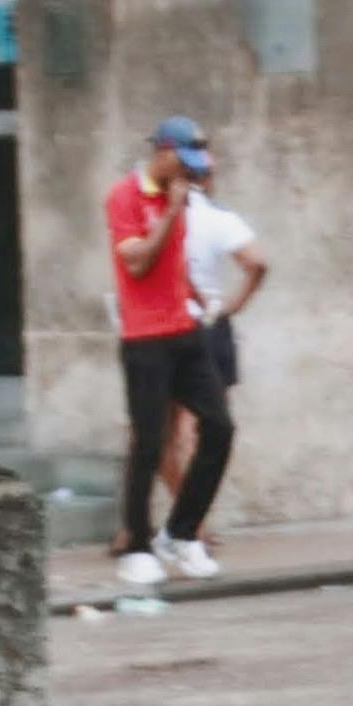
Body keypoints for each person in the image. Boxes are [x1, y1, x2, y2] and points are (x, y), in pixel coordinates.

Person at [107, 114, 234, 584]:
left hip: (185, 331)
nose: (190, 174)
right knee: (148, 443)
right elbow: (138, 264)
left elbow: (175, 266)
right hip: (144, 339)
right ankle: (137, 547)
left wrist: (201, 303)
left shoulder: (179, 194)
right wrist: (171, 214)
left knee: (219, 427)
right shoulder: (124, 196)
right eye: (184, 163)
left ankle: (181, 532)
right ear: (163, 153)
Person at [154, 143, 270, 540]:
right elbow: (257, 263)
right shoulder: (220, 217)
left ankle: (188, 523)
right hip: (211, 325)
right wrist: (233, 305)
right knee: (206, 429)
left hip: (168, 325)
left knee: (165, 432)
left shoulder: (161, 216)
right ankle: (192, 523)